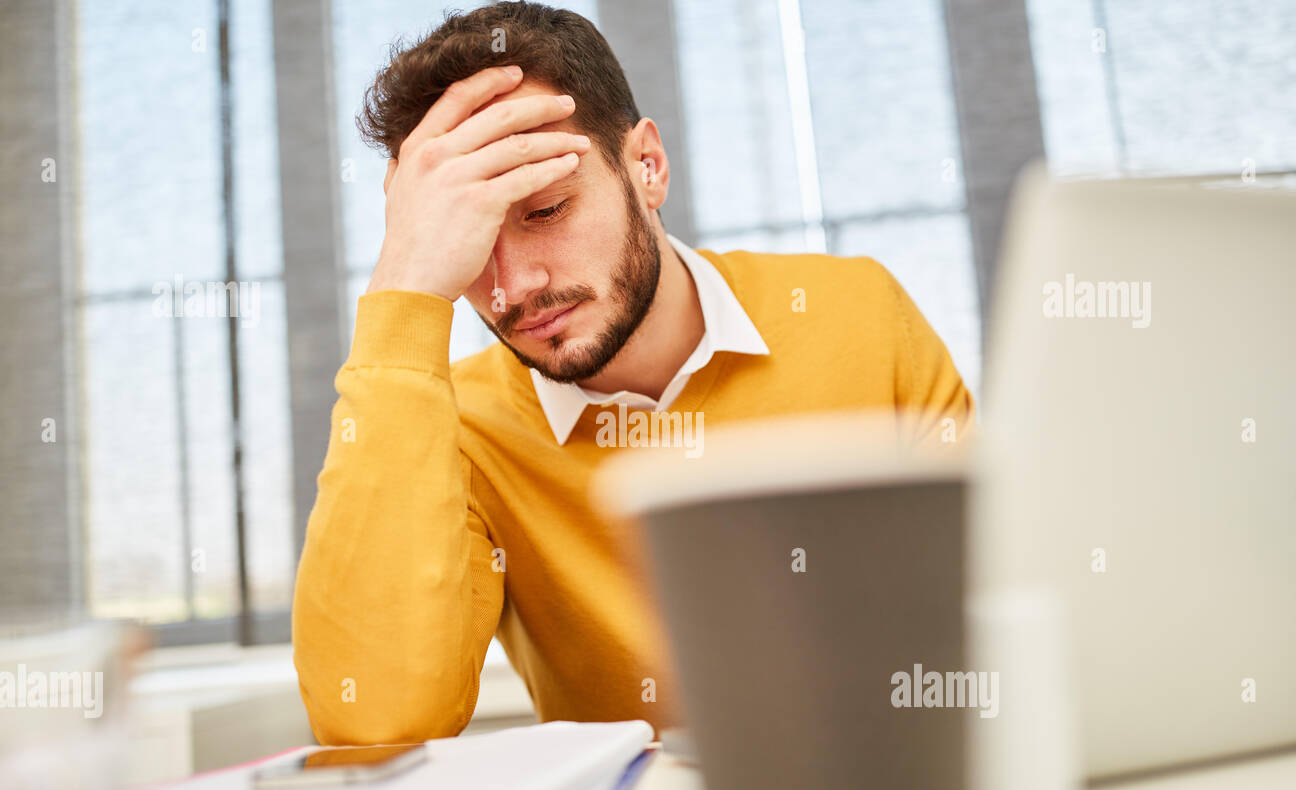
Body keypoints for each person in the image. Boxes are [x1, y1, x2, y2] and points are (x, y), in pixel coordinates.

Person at [292, 1, 974, 744]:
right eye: (467, 241)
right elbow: (373, 725)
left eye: (546, 210)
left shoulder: (858, 313)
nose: (512, 287)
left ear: (646, 165)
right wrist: (404, 294)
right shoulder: (450, 428)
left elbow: (1003, 601)